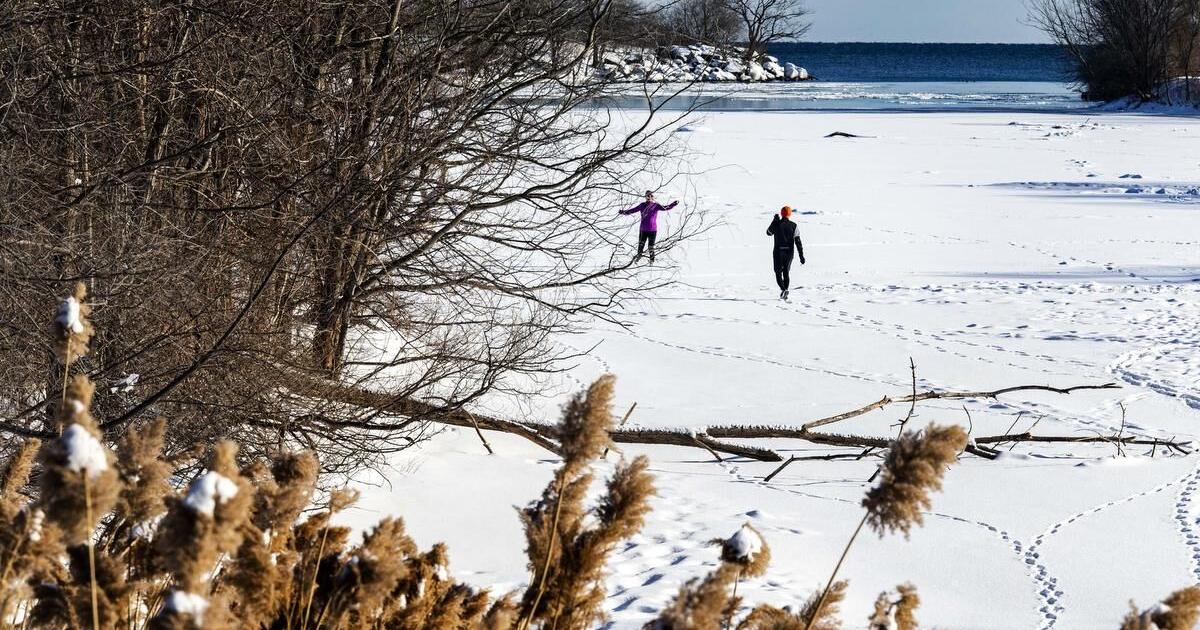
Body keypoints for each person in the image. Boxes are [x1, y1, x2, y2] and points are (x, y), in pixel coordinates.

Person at [620, 190, 678, 264]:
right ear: (645, 197)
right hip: (643, 229)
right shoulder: (642, 205)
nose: (649, 197)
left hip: (652, 230)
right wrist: (623, 212)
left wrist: (674, 204)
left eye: (651, 195)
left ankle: (652, 260)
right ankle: (638, 257)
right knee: (641, 244)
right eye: (648, 195)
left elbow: (666, 208)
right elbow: (632, 210)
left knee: (651, 246)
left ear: (653, 197)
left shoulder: (656, 205)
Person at [767, 206, 805, 300]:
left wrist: (774, 222)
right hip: (789, 253)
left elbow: (768, 233)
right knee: (786, 272)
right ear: (790, 214)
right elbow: (798, 242)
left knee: (778, 272)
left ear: (781, 213)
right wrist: (801, 256)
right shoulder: (794, 225)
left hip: (778, 252)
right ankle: (786, 290)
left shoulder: (776, 224)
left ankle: (783, 289)